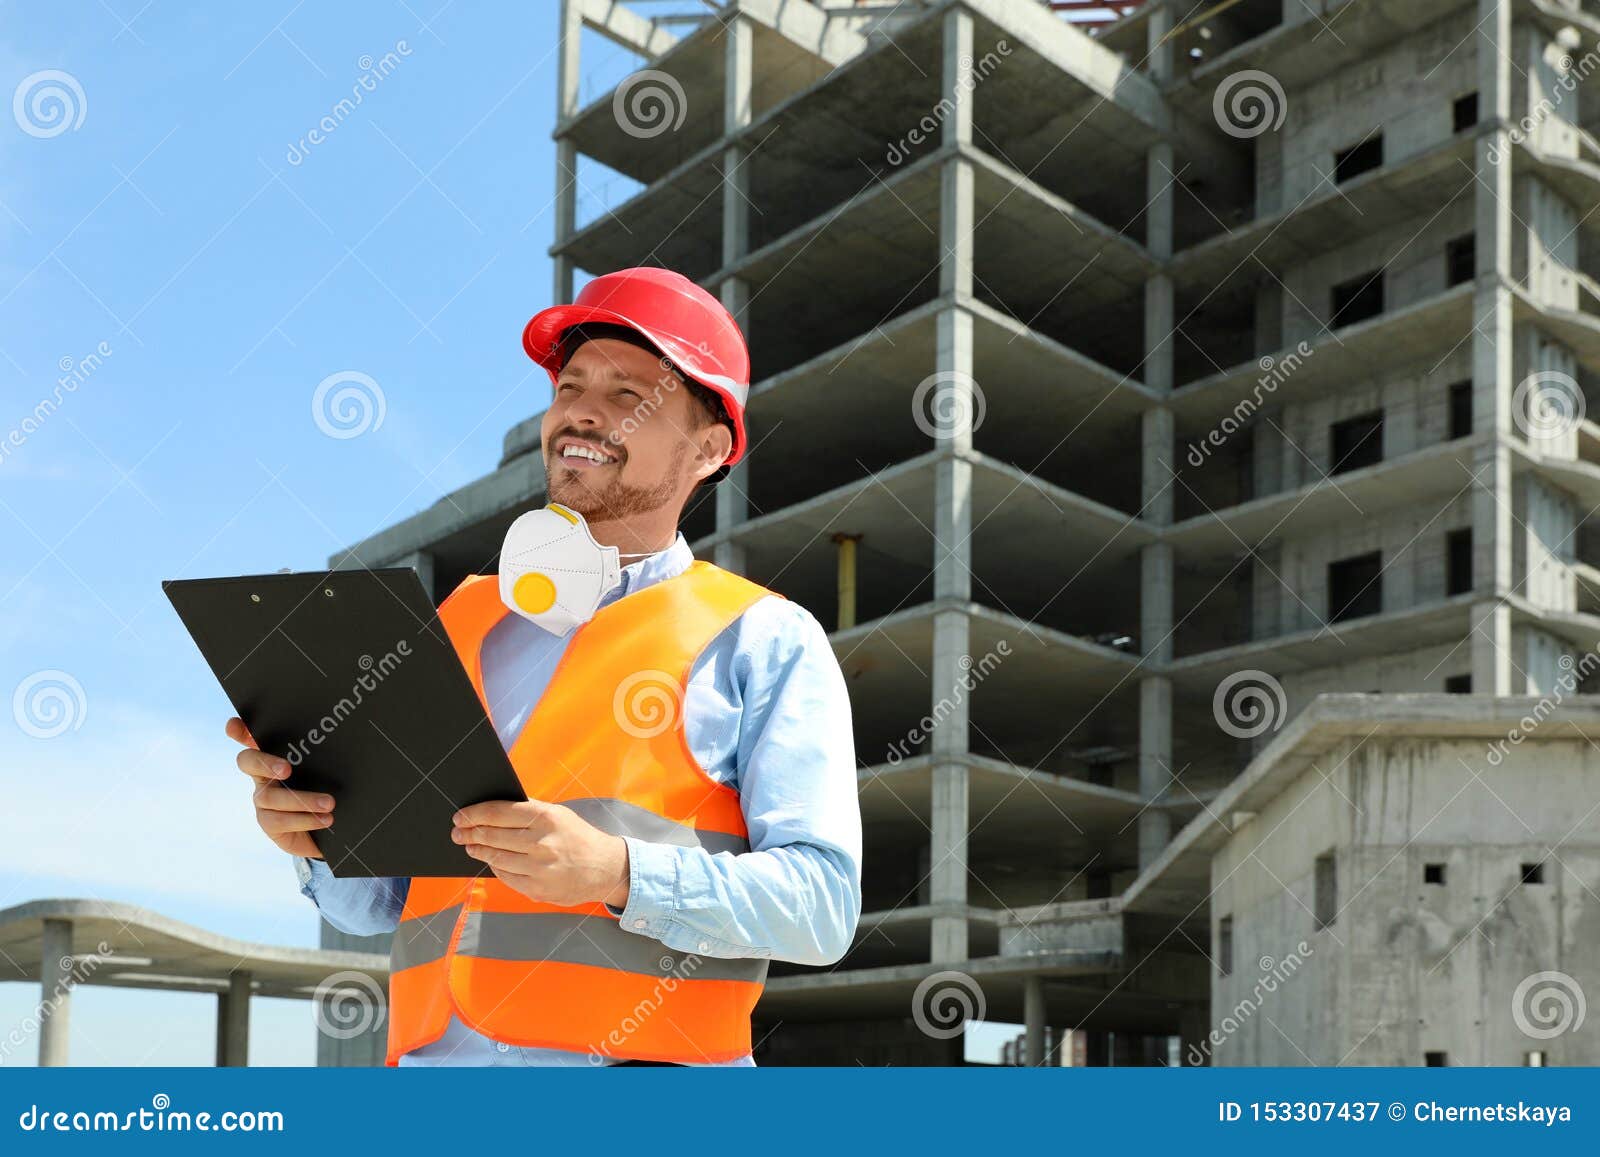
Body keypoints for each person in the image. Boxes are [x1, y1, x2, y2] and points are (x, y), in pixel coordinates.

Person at [227, 267, 862, 1067]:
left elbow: (822, 909)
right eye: (569, 386)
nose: (581, 412)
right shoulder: (457, 623)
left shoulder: (762, 639)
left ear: (708, 449)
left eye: (628, 394)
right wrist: (316, 837)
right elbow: (386, 904)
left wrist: (617, 871)